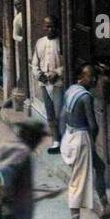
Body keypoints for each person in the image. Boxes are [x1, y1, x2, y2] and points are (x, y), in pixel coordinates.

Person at [60, 63, 110, 219]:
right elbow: (93, 125)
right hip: (81, 138)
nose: (94, 80)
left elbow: (62, 116)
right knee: (78, 181)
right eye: (92, 77)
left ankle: (105, 205)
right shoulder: (86, 97)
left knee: (99, 166)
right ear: (85, 77)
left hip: (70, 137)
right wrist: (92, 143)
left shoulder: (71, 90)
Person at [30, 15, 66, 153]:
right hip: (44, 83)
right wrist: (40, 75)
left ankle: (63, 141)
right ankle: (55, 140)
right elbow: (34, 63)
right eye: (47, 26)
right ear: (44, 27)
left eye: (52, 26)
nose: (50, 29)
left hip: (58, 83)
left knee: (60, 114)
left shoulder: (61, 43)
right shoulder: (40, 42)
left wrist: (57, 72)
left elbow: (66, 63)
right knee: (50, 113)